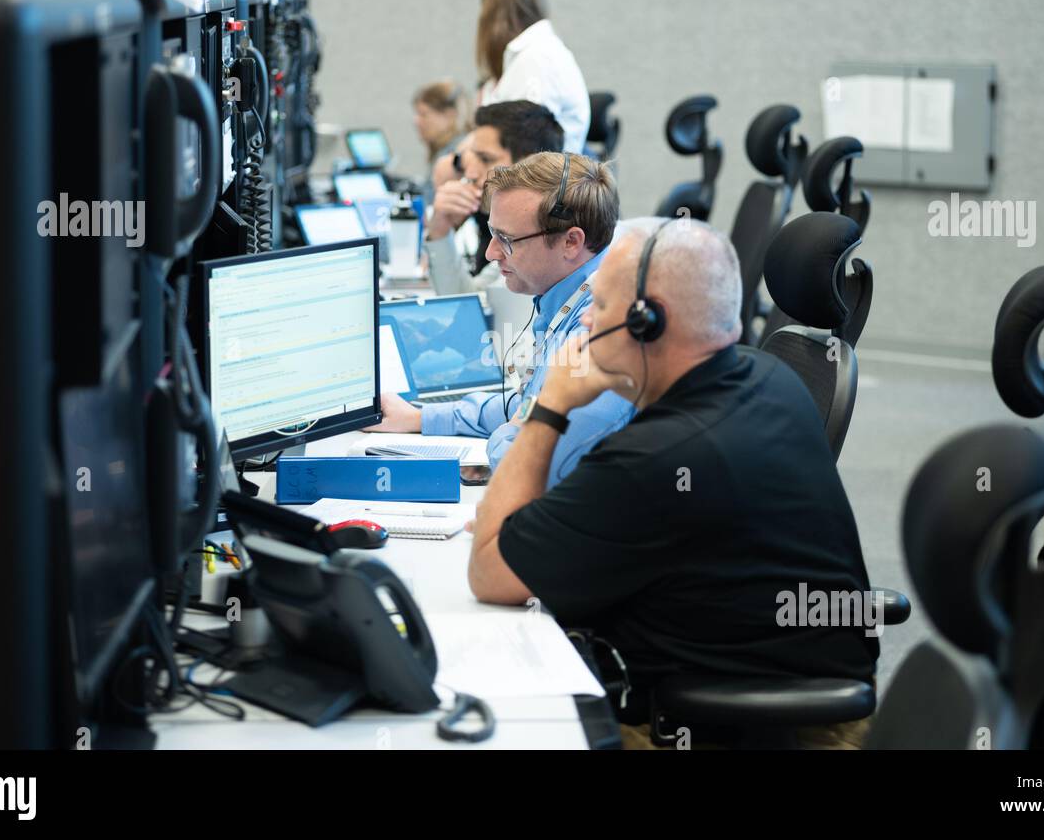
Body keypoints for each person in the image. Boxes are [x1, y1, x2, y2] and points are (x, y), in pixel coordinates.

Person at [465, 218, 880, 749]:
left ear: (647, 321)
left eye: (600, 304)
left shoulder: (659, 455)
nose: (586, 319)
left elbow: (489, 573)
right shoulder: (768, 377)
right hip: (794, 703)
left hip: (733, 728)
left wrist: (550, 406)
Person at [371, 151, 636, 488]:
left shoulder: (602, 329)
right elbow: (525, 405)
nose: (491, 252)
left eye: (507, 240)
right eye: (492, 234)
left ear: (571, 242)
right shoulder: (570, 297)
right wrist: (419, 417)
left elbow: (527, 467)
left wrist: (511, 431)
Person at [422, 100, 563, 297]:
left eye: (485, 159)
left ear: (531, 164)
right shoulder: (515, 233)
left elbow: (467, 305)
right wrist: (440, 229)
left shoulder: (540, 241)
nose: (470, 173)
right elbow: (467, 301)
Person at [475, 0, 589, 154]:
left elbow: (526, 147)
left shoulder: (537, 58)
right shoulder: (533, 54)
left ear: (494, 18)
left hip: (536, 171)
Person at [412, 81, 465, 205]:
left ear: (449, 116)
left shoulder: (452, 154)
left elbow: (431, 203)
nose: (416, 121)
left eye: (423, 114)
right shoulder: (445, 149)